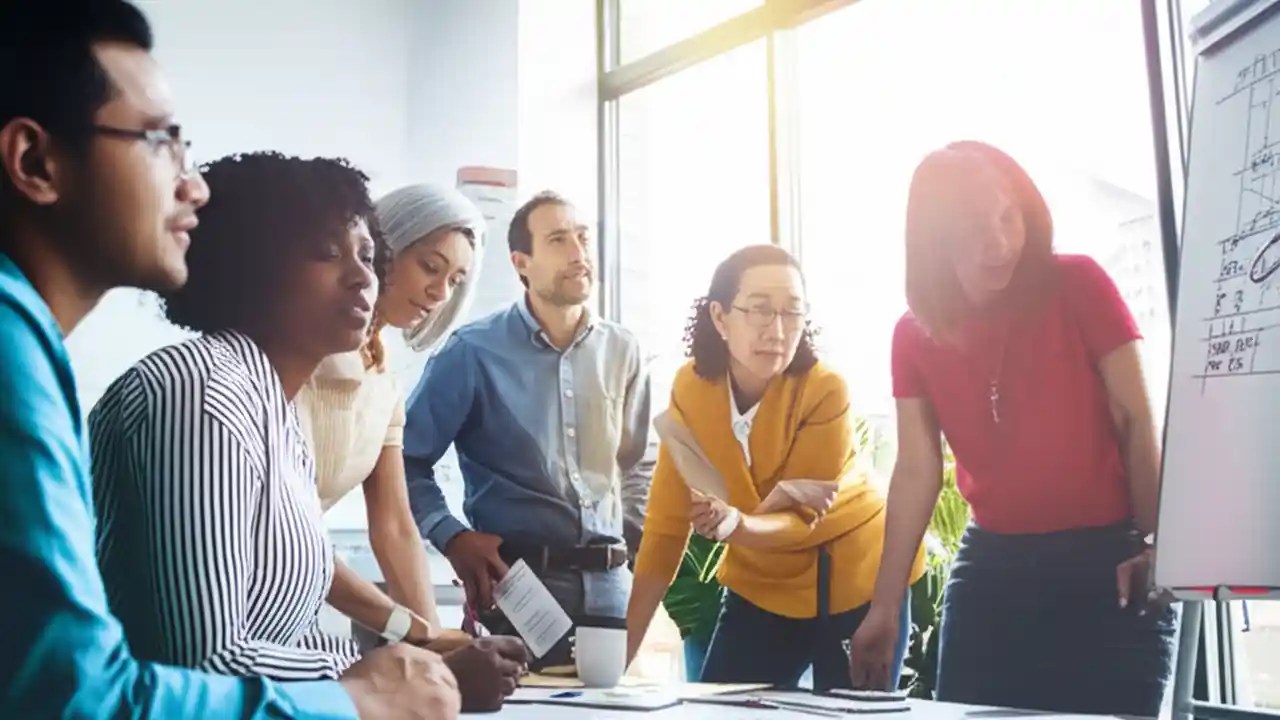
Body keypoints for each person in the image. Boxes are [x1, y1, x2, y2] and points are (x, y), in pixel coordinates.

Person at [0, 2, 457, 718]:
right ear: (35, 161)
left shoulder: (271, 408)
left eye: (368, 255)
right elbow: (121, 677)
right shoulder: (196, 386)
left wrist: (407, 662)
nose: (195, 186)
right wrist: (367, 686)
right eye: (159, 143)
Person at [848, 141, 1175, 714]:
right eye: (974, 227)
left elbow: (1137, 418)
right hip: (994, 566)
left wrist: (1154, 543)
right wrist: (884, 606)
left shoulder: (1079, 284)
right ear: (934, 238)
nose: (999, 243)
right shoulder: (914, 334)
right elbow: (917, 470)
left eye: (1008, 216)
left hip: (1111, 559)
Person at [624, 245, 925, 688]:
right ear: (720, 318)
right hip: (762, 586)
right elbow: (667, 527)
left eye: (792, 312)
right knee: (721, 709)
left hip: (855, 580)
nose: (778, 329)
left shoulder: (825, 389)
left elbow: (803, 519)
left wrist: (736, 525)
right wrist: (620, 657)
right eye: (760, 311)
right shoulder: (690, 389)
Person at [296, 183, 528, 711]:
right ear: (385, 246)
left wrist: (439, 646)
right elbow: (294, 541)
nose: (440, 292)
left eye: (456, 280)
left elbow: (396, 526)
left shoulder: (385, 381)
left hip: (296, 600)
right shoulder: (298, 363)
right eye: (430, 266)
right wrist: (417, 631)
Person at [405, 190, 653, 668]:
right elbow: (404, 459)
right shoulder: (471, 352)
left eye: (583, 238)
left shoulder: (623, 350)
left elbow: (637, 460)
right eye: (559, 240)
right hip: (518, 590)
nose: (579, 254)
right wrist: (450, 535)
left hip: (614, 588)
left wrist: (634, 546)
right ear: (522, 263)